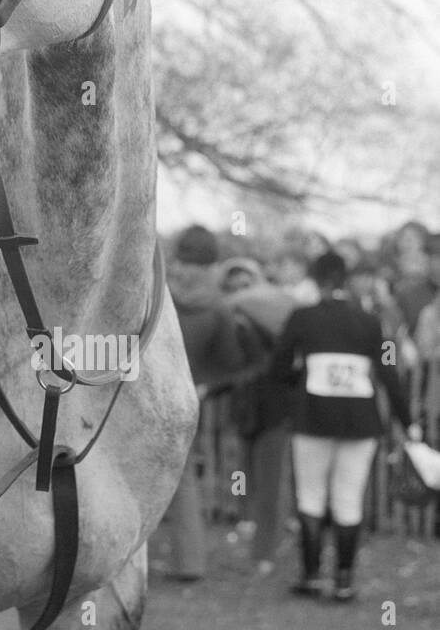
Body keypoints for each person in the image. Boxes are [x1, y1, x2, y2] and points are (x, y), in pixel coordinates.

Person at [269, 251, 423, 601]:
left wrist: (301, 374)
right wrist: (408, 423)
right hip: (360, 423)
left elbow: (277, 369)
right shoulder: (371, 322)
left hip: (313, 418)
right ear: (345, 279)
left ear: (316, 278)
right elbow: (389, 372)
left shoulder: (302, 317)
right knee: (348, 500)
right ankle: (344, 581)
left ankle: (310, 577)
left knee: (311, 497)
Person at [160, 225, 245, 581]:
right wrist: (205, 387)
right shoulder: (220, 308)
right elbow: (232, 366)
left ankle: (126, 562)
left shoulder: (159, 297)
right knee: (182, 480)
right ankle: (189, 562)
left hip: (151, 390)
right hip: (188, 397)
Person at [221, 260, 298, 574]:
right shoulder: (228, 321)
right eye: (234, 286)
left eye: (246, 284)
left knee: (270, 483)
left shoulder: (279, 317)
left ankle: (265, 552)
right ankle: (247, 526)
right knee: (243, 475)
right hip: (246, 410)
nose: (241, 292)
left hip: (275, 409)